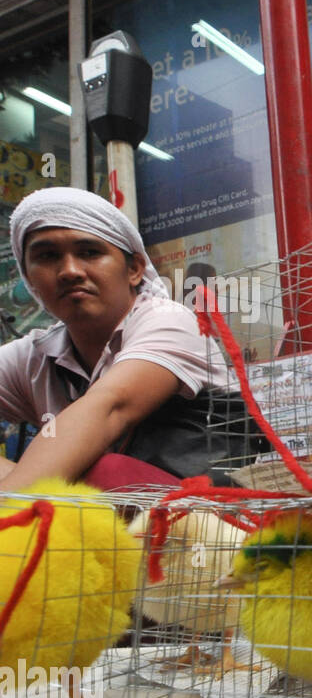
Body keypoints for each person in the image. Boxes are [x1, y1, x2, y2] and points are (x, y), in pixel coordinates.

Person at [0, 186, 244, 492]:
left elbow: (109, 408)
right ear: (29, 278)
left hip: (205, 525)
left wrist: (10, 509)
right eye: (47, 256)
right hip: (98, 529)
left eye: (89, 252)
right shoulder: (32, 357)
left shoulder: (170, 321)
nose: (69, 271)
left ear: (134, 270)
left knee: (108, 472)